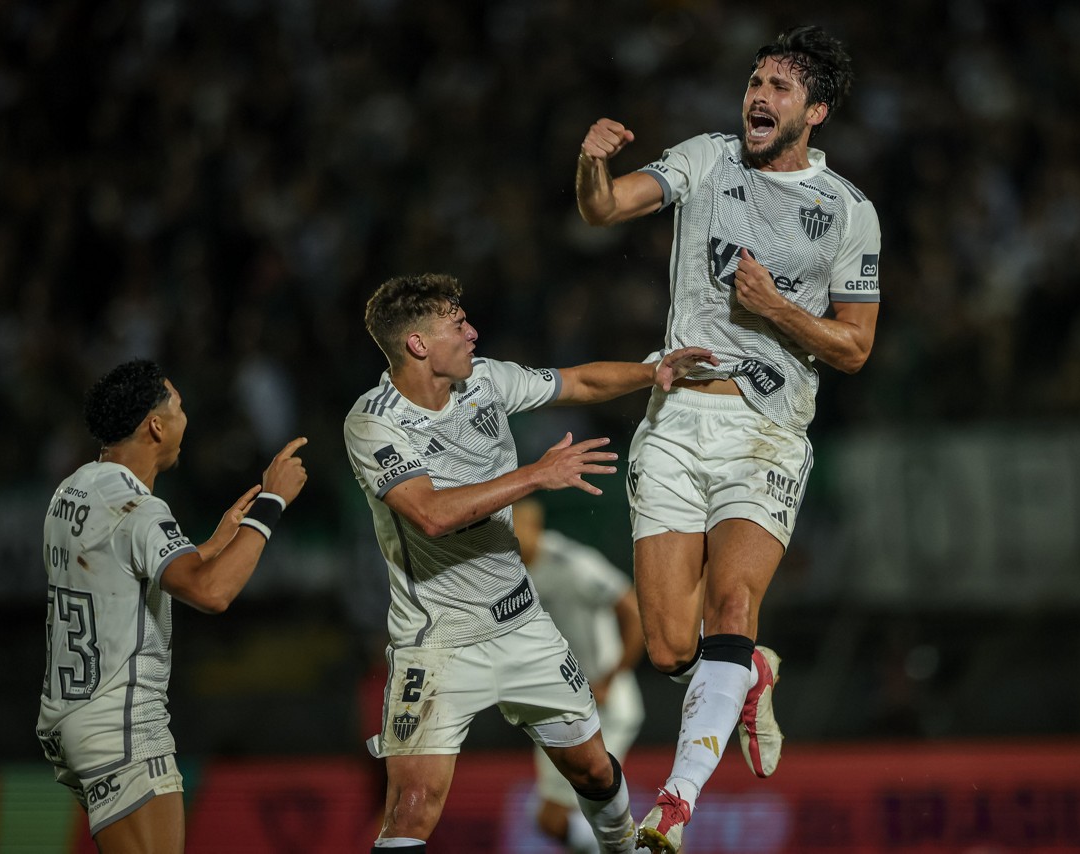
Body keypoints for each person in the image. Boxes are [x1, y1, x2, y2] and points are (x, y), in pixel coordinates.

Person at [575, 24, 879, 853]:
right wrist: (591, 160)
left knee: (733, 605)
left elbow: (854, 348)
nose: (759, 95)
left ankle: (673, 805)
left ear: (814, 111)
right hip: (675, 424)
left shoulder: (849, 213)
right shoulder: (707, 158)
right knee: (675, 645)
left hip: (766, 433)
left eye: (781, 87)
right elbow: (603, 208)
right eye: (756, 80)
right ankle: (749, 668)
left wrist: (774, 309)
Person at [343, 273, 716, 854]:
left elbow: (580, 381)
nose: (472, 331)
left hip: (523, 626)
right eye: (456, 323)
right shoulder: (373, 422)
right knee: (413, 809)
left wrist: (654, 372)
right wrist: (536, 475)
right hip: (437, 641)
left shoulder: (486, 380)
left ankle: (625, 851)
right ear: (418, 344)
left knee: (592, 771)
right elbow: (430, 514)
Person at [37, 359, 308, 854]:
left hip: (70, 720)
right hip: (121, 725)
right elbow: (210, 593)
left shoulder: (73, 490)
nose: (186, 418)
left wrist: (205, 548)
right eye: (179, 407)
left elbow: (127, 569)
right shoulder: (142, 510)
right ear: (155, 426)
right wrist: (272, 503)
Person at [512, 498, 645, 854]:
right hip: (561, 705)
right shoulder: (506, 575)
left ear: (535, 527)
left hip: (606, 708)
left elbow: (632, 610)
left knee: (569, 814)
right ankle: (642, 846)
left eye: (513, 526)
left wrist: (611, 677)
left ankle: (641, 846)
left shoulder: (573, 564)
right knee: (553, 820)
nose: (505, 535)